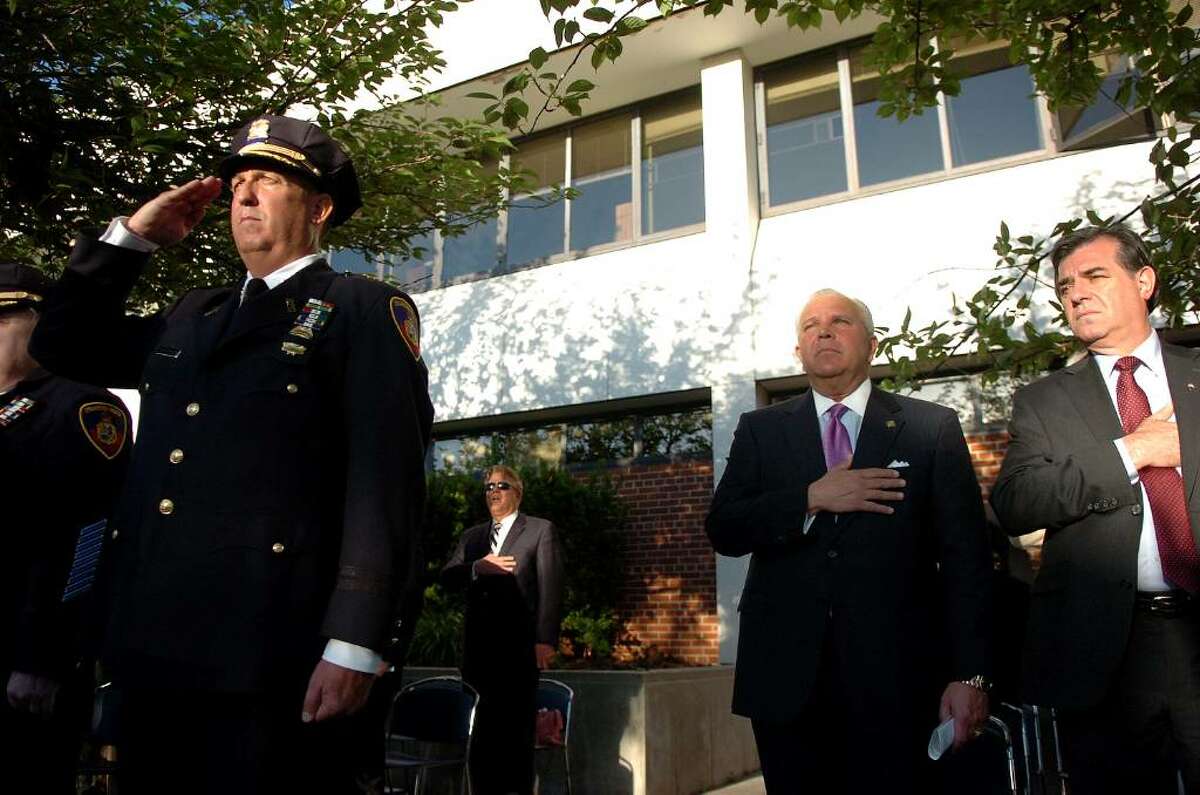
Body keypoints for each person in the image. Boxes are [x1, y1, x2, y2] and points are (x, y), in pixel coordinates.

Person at [30, 115, 434, 794]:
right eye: (239, 181)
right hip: (152, 646)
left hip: (272, 654)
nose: (244, 195)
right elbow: (62, 345)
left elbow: (384, 485)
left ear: (319, 209)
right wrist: (131, 240)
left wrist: (356, 642)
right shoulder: (195, 314)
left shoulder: (360, 308)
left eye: (268, 181)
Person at [706, 289, 993, 794]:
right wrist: (810, 498)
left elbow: (966, 560)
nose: (823, 331)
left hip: (901, 679)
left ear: (872, 344)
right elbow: (724, 528)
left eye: (840, 321)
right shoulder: (760, 430)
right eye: (810, 325)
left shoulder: (929, 427)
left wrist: (969, 675)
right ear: (799, 350)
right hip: (785, 681)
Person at [991, 224, 1199, 794]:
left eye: (1094, 276)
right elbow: (1014, 503)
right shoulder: (1044, 401)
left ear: (1144, 282)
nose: (1076, 293)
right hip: (1106, 653)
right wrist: (1131, 452)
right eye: (1065, 287)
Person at [0, 262, 130, 794]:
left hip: (21, 659)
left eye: (3, 317)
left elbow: (88, 541)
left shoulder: (82, 407)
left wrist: (43, 658)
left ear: (42, 321)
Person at [442, 465, 566, 795]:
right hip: (477, 654)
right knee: (481, 736)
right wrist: (476, 568)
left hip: (518, 653)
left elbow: (551, 588)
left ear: (518, 493)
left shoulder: (539, 530)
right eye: (489, 487)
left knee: (515, 735)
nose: (494, 491)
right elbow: (447, 577)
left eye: (502, 485)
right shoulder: (472, 537)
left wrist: (544, 640)